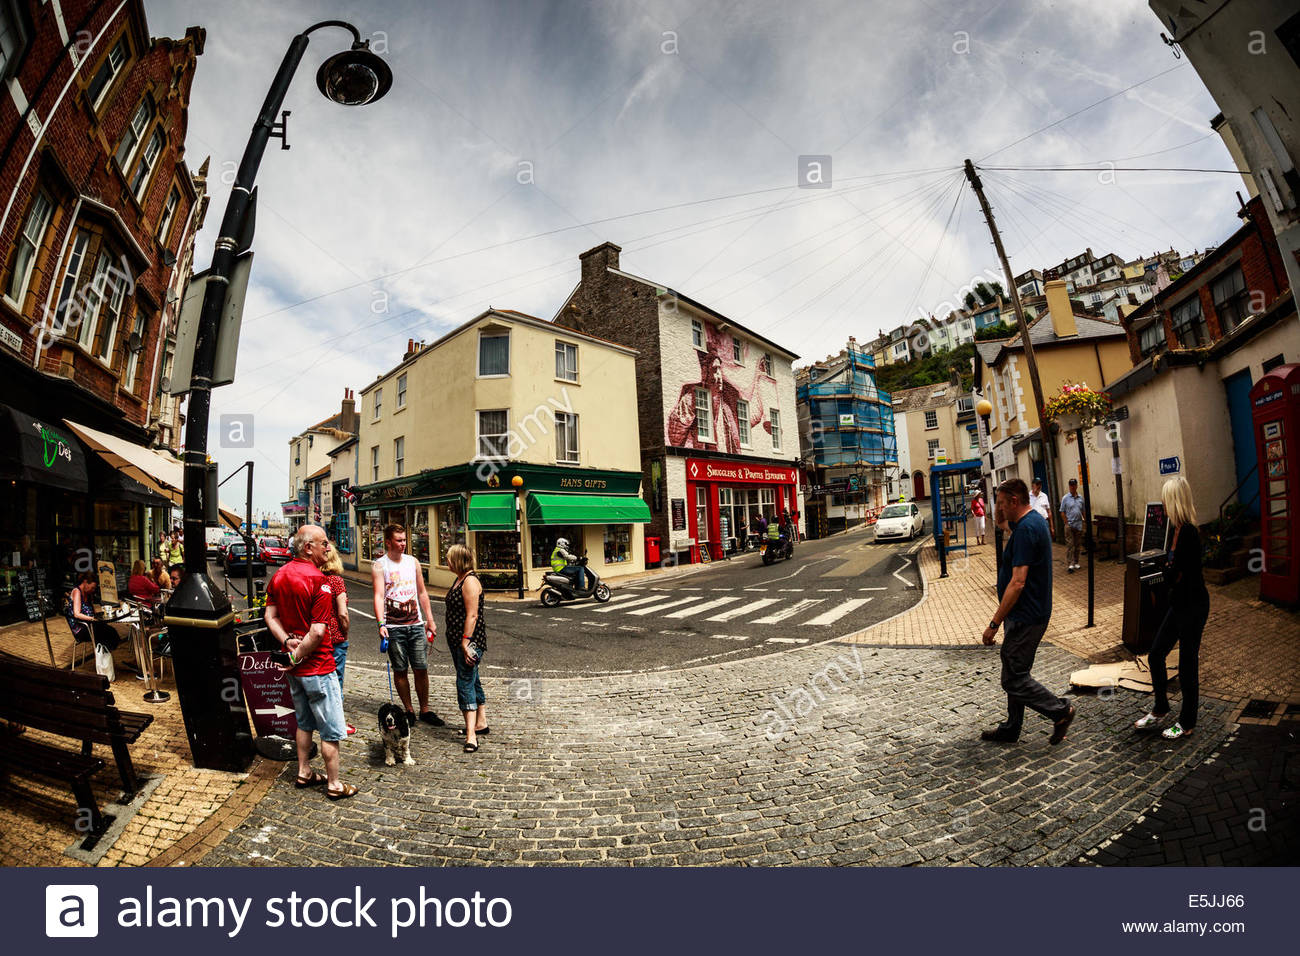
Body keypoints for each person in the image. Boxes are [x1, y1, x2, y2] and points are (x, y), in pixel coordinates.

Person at [980, 478, 1076, 745]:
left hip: (1026, 616)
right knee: (1016, 670)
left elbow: (1018, 582)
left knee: (1013, 678)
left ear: (1014, 501)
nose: (998, 509)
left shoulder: (1025, 531)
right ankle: (1011, 728)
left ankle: (1060, 710)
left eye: (1001, 503)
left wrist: (994, 622)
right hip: (1028, 614)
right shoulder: (1032, 521)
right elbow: (1002, 524)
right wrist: (997, 506)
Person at [265, 524, 356, 800]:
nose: (327, 548)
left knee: (303, 723)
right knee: (330, 729)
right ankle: (335, 784)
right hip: (319, 666)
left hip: (297, 671)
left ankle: (304, 771)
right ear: (308, 547)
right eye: (323, 543)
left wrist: (287, 643)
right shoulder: (320, 581)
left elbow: (271, 616)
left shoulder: (279, 575)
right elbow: (318, 631)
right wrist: (295, 655)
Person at [1135, 476, 1209, 741]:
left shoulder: (1188, 531)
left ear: (1175, 500)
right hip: (1180, 603)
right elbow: (1172, 571)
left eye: (1166, 498)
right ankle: (1161, 708)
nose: (1163, 503)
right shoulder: (1174, 530)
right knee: (1156, 655)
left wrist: (1163, 573)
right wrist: (1164, 572)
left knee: (1188, 665)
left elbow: (1177, 572)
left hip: (1193, 605)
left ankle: (1187, 722)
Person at [372, 523, 444, 727]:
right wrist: (380, 623)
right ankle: (409, 710)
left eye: (405, 540)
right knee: (400, 669)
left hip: (416, 624)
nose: (403, 544)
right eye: (399, 540)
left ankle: (425, 710)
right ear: (388, 542)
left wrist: (429, 619)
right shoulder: (380, 566)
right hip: (394, 627)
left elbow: (422, 593)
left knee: (421, 668)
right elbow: (378, 596)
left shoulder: (413, 562)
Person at [444, 544, 488, 753]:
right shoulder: (460, 578)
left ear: (459, 560)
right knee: (473, 678)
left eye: (450, 558)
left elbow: (472, 615)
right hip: (457, 640)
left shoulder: (470, 581)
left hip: (469, 641)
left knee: (464, 682)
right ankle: (481, 723)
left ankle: (472, 736)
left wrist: (465, 641)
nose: (447, 562)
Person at [319, 540, 354, 736]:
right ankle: (338, 722)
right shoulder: (336, 581)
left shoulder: (315, 578)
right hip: (336, 638)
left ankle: (322, 718)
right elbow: (343, 614)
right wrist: (345, 631)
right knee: (335, 681)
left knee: (320, 680)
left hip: (317, 637)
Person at [65, 572, 122, 652]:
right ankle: (103, 656)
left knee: (111, 631)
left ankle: (105, 655)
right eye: (92, 588)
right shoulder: (77, 591)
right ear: (85, 582)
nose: (93, 590)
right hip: (81, 629)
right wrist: (92, 619)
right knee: (105, 633)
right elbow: (77, 614)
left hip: (89, 625)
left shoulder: (88, 593)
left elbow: (93, 611)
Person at [1059, 478, 1085, 572]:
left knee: (1077, 545)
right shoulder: (1065, 498)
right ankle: (1070, 564)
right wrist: (1066, 522)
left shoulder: (1081, 498)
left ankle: (1076, 562)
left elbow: (1083, 511)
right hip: (1069, 525)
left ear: (1076, 486)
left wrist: (1084, 521)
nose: (1072, 487)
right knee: (1070, 545)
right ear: (1069, 486)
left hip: (1078, 524)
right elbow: (1062, 512)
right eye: (1071, 485)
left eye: (1074, 485)